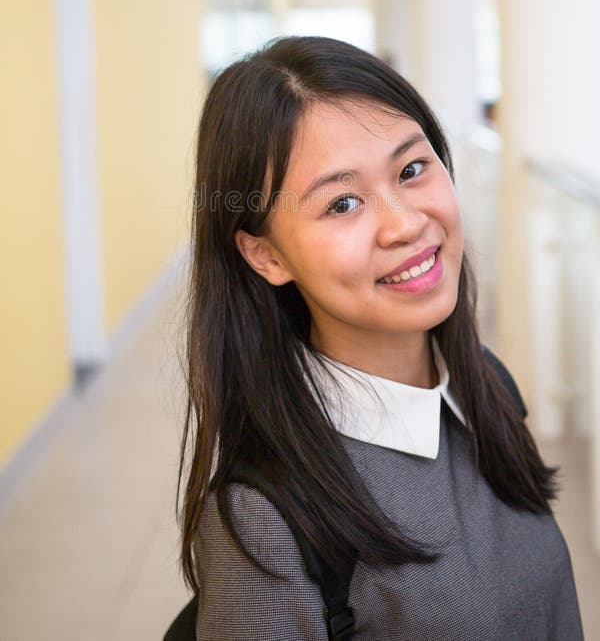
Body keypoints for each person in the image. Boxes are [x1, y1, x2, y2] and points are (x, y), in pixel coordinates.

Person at [176, 36, 583, 640]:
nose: (406, 224)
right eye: (342, 203)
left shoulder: (485, 386)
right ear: (264, 254)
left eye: (412, 169)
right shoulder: (263, 518)